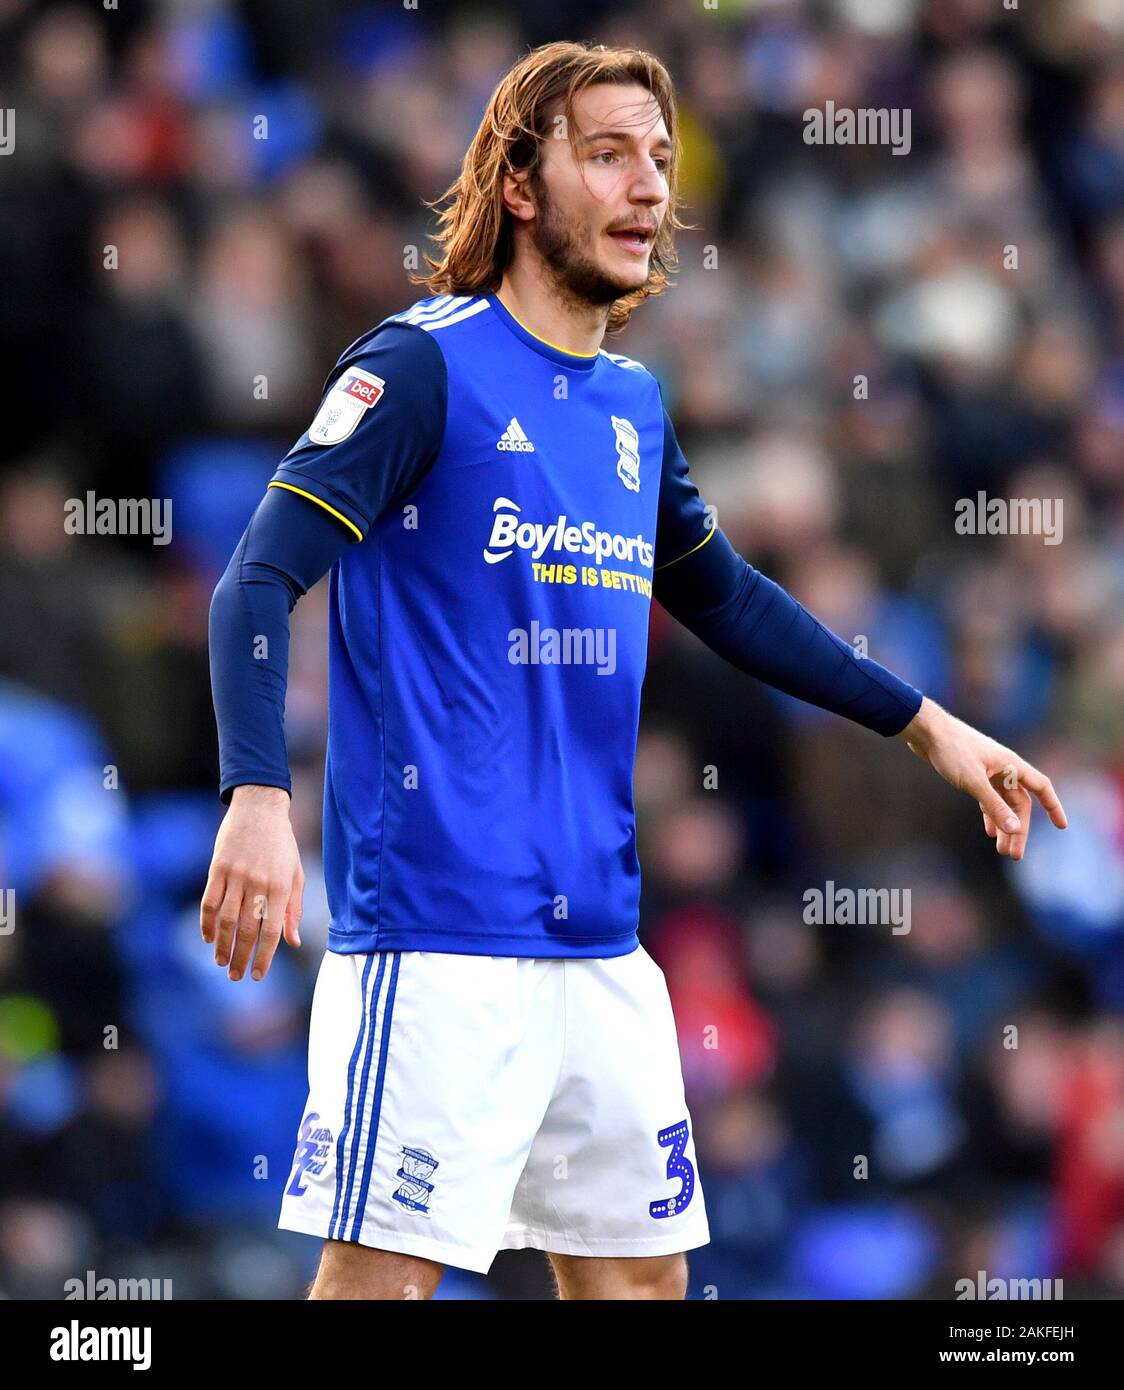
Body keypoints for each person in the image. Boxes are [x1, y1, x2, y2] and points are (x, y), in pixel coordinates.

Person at [202, 41, 1067, 1301]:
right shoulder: (416, 368)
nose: (646, 186)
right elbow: (254, 582)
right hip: (440, 944)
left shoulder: (630, 406)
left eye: (658, 160)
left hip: (600, 946)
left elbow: (723, 596)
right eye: (605, 155)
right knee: (378, 1284)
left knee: (638, 1289)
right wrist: (255, 794)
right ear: (517, 184)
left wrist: (927, 723)